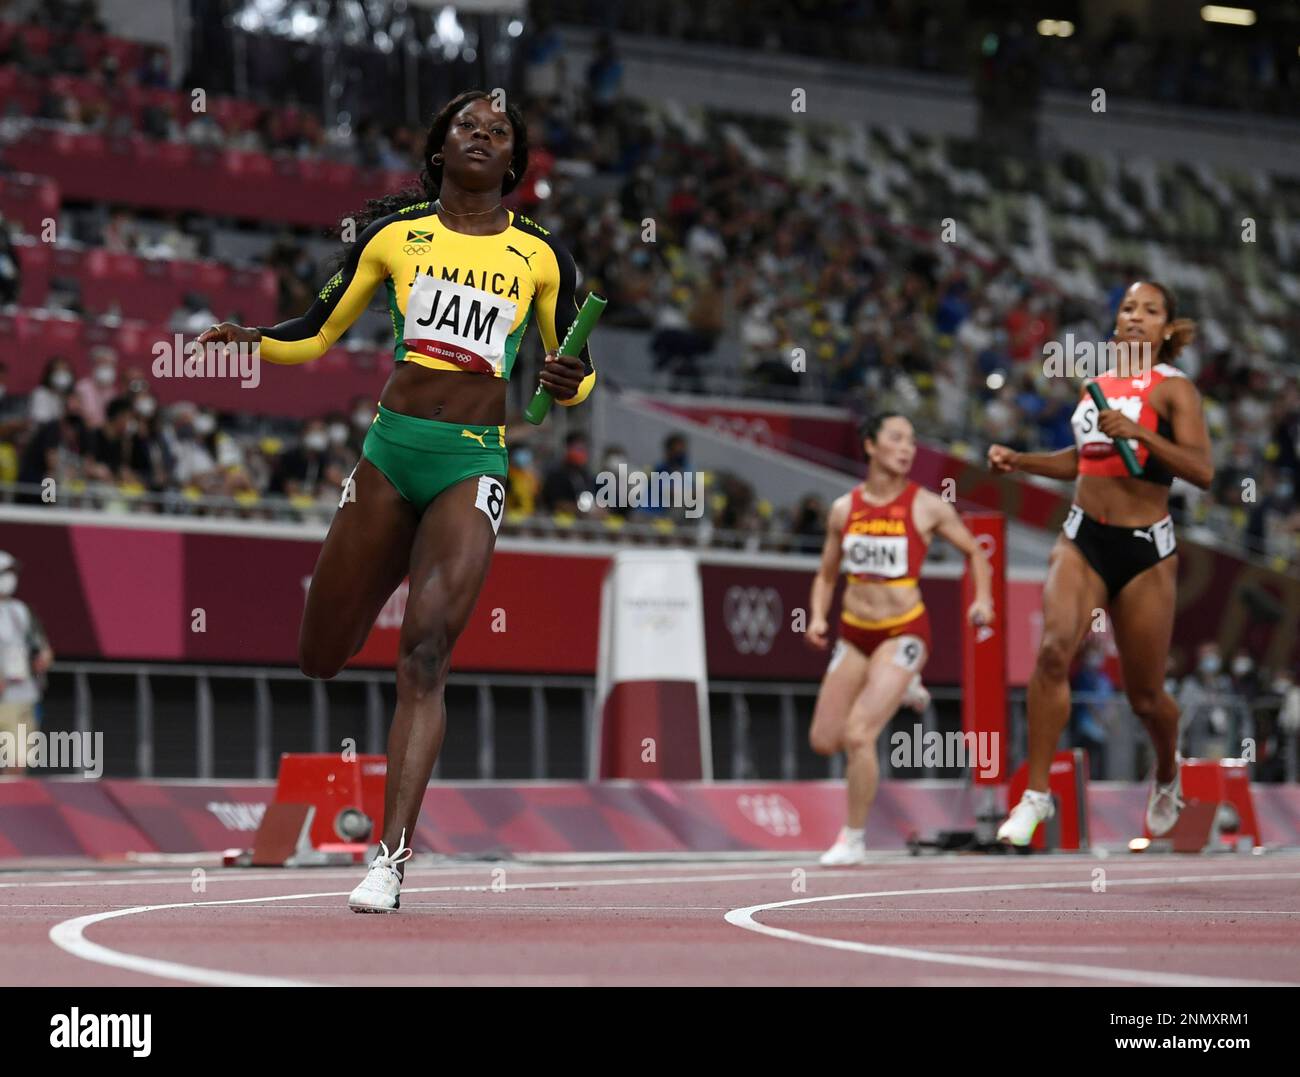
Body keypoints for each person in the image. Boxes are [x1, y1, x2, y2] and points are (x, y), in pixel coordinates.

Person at [198, 90, 595, 912]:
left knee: (424, 655)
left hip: (472, 460)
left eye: (498, 132)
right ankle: (383, 833)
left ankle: (389, 857)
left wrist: (570, 378)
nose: (481, 136)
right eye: (467, 127)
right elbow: (316, 329)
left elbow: (576, 371)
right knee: (320, 653)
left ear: (514, 163)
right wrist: (252, 340)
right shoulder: (392, 235)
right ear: (440, 148)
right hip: (389, 455)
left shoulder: (542, 255)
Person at [989, 281, 1213, 844]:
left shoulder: (1174, 389)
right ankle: (1036, 796)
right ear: (1116, 324)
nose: (1136, 317)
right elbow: (1084, 460)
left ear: (1166, 329)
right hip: (1083, 538)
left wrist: (1139, 433)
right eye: (1128, 308)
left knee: (1146, 698)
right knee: (1052, 653)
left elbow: (1202, 470)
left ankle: (1167, 772)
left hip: (1144, 551)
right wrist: (1020, 460)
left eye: (1150, 310)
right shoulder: (1099, 386)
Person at [807, 413, 993, 865]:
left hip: (903, 629)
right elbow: (827, 573)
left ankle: (853, 839)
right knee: (823, 740)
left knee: (859, 734)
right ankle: (904, 682)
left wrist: (983, 599)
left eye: (912, 440)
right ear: (871, 446)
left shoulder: (927, 506)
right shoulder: (844, 509)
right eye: (896, 439)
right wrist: (816, 617)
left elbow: (975, 551)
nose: (907, 448)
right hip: (855, 633)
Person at [0, 553, 54, 773]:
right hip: (3, 698)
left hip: (24, 694)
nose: (10, 579)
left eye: (12, 573)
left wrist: (43, 657)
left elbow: (42, 647)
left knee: (18, 763)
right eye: (5, 573)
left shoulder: (21, 610)